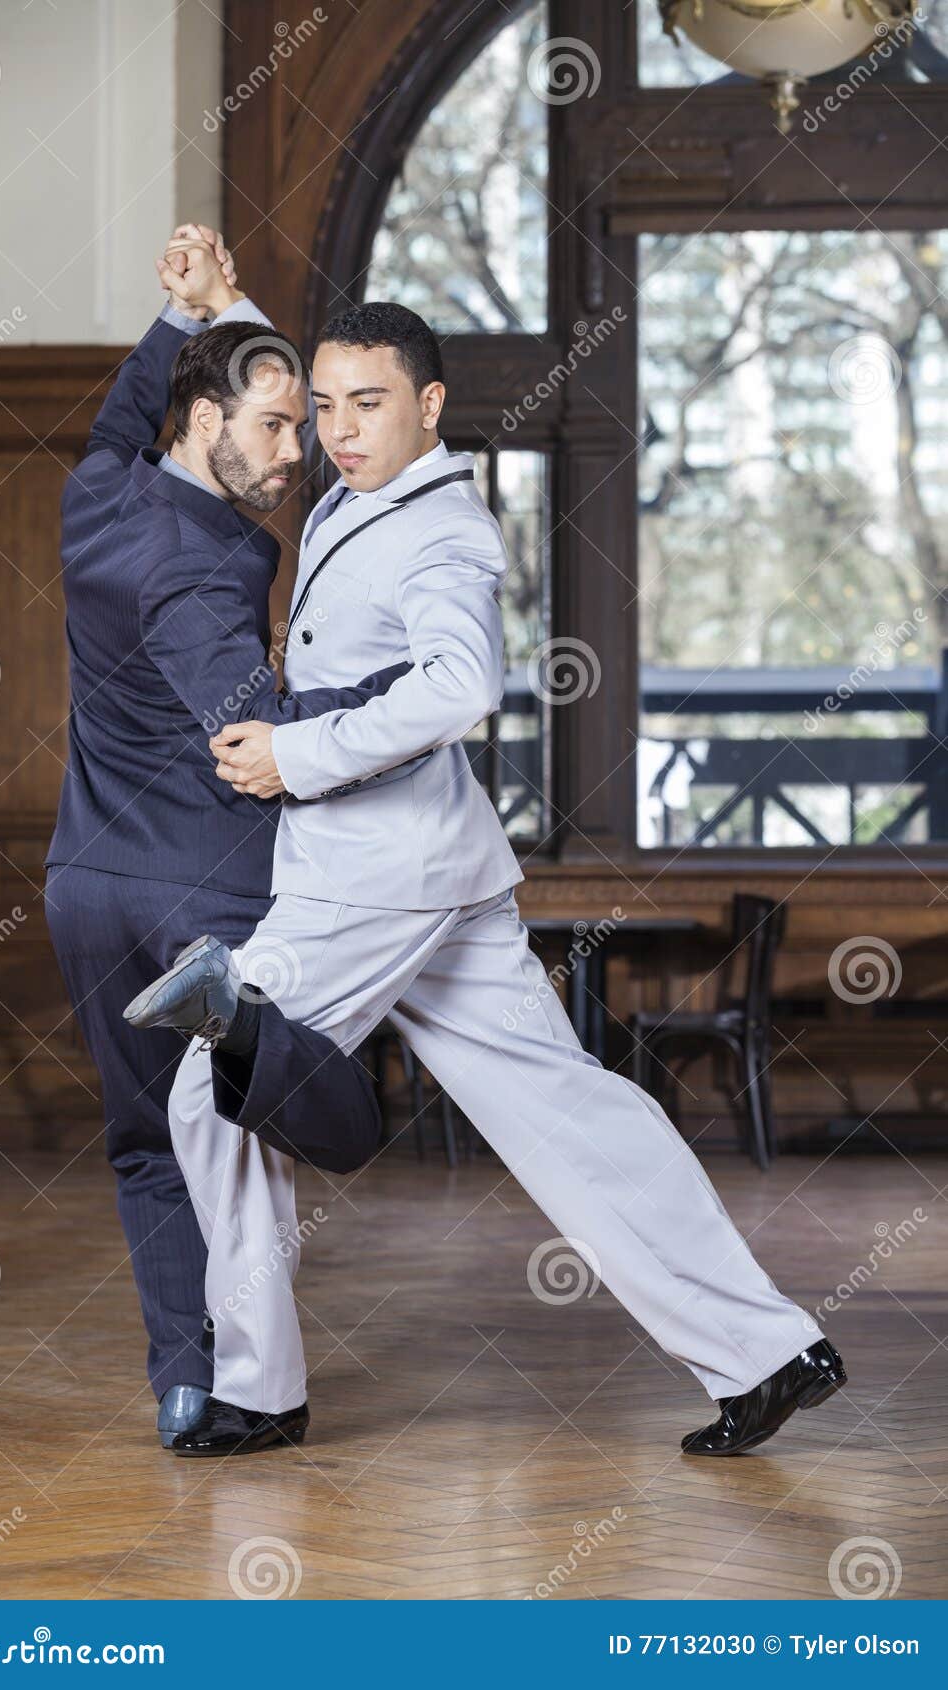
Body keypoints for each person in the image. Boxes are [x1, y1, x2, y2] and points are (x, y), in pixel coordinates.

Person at [130, 269, 847, 1460]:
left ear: (430, 407)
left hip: (375, 879)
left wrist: (294, 755)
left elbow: (460, 685)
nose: (337, 430)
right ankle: (767, 1352)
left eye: (368, 404)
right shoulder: (360, 493)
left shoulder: (442, 528)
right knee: (571, 1113)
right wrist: (225, 304)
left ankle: (257, 1389)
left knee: (211, 1091)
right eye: (323, 406)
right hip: (435, 875)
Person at [45, 226, 409, 1450]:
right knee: (291, 1126)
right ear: (204, 421)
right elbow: (253, 729)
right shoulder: (198, 570)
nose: (296, 451)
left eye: (302, 427)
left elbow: (124, 411)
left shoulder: (97, 492)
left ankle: (186, 1380)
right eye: (275, 426)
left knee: (149, 1140)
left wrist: (198, 310)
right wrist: (401, 698)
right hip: (203, 883)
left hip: (85, 881)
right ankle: (262, 1056)